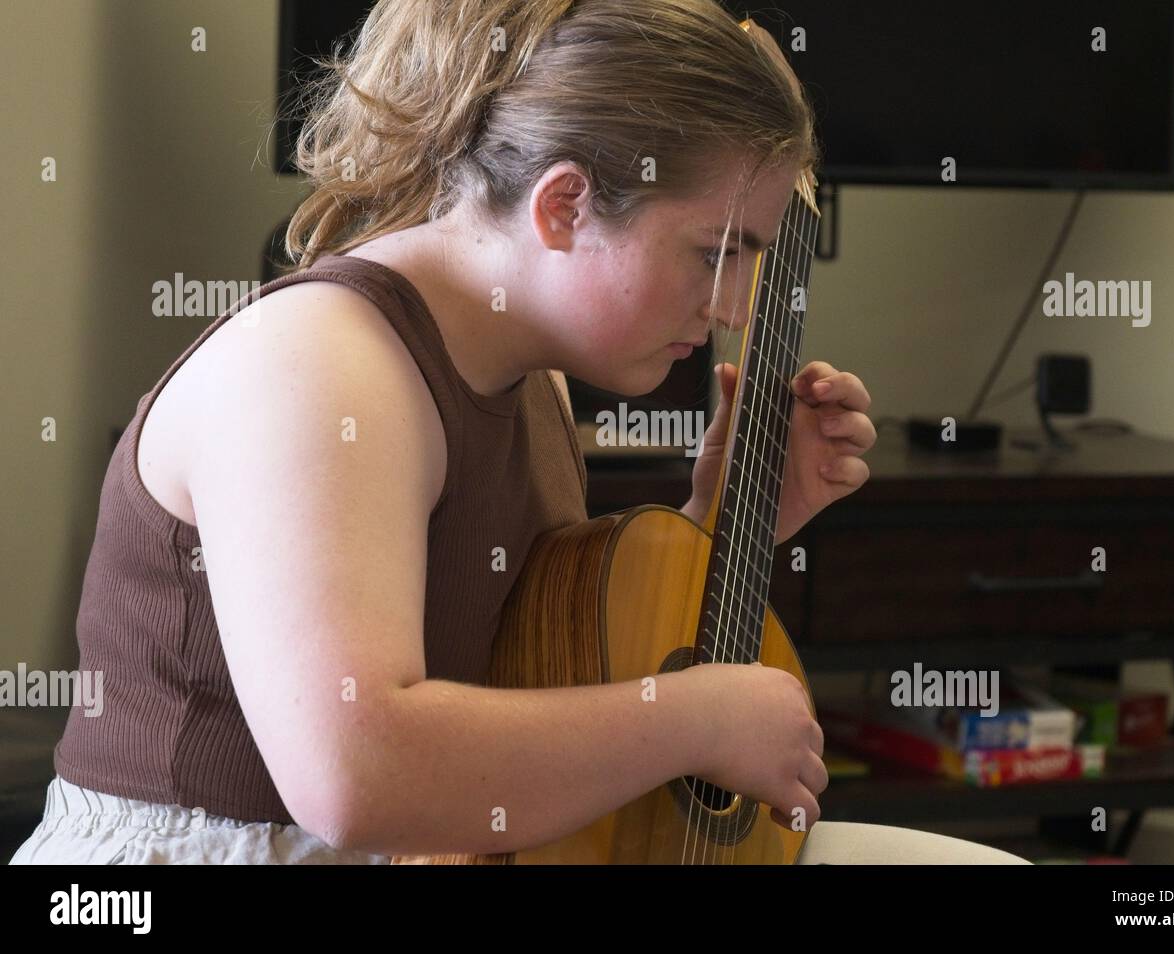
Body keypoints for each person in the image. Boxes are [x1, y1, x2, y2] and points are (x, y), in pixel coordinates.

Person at [10, 0, 1026, 865]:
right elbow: (354, 774)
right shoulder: (320, 367)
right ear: (563, 207)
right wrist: (699, 718)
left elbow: (537, 667)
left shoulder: (523, 374)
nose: (734, 305)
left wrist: (729, 524)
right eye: (715, 252)